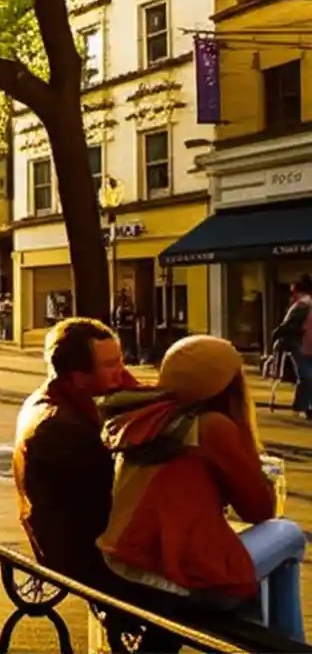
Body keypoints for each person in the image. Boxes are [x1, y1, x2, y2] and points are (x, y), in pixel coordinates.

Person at [97, 335, 303, 641]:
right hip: (175, 580)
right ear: (228, 385)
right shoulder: (212, 427)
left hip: (122, 564)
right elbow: (260, 510)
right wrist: (245, 445)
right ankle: (289, 645)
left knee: (253, 564)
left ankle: (264, 639)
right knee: (288, 535)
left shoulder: (148, 415)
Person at [13, 317, 186, 648]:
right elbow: (127, 489)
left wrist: (132, 395)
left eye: (120, 360)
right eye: (110, 364)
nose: (121, 371)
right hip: (85, 557)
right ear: (79, 377)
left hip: (71, 543)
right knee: (180, 597)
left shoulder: (59, 400)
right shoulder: (63, 429)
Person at [274, 274, 312, 418]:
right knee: (307, 376)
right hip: (302, 344)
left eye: (293, 291)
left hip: (302, 344)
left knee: (307, 377)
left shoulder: (302, 304)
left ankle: (303, 406)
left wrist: (277, 335)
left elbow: (288, 325)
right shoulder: (303, 304)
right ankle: (303, 406)